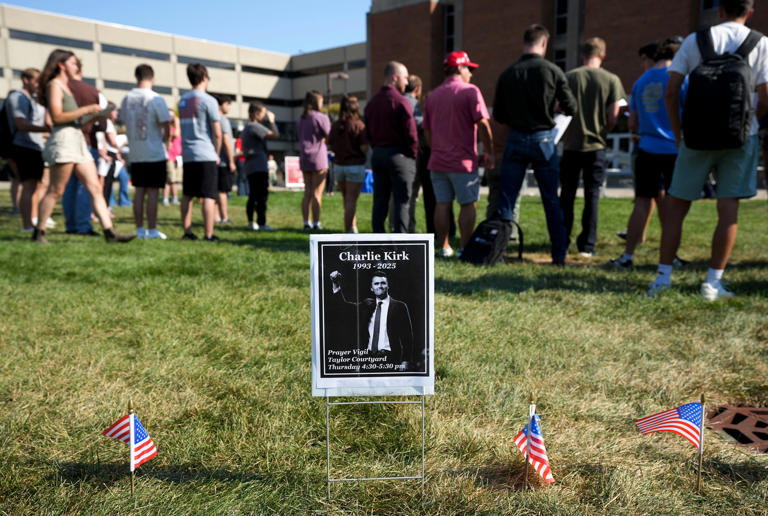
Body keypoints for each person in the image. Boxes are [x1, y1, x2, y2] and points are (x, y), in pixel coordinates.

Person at [648, 0, 768, 299]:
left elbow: (672, 91)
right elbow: (765, 98)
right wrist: (750, 124)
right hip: (741, 138)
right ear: (749, 11)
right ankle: (712, 283)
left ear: (720, 10)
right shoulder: (761, 43)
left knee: (677, 206)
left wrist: (679, 134)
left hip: (696, 137)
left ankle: (663, 278)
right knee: (728, 208)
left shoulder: (695, 40)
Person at [493, 24, 578, 265]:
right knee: (551, 199)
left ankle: (498, 252)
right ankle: (558, 255)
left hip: (516, 137)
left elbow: (498, 114)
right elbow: (571, 107)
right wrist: (553, 107)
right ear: (544, 43)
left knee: (507, 199)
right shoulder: (552, 71)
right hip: (544, 140)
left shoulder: (508, 73)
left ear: (525, 42)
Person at [33, 49, 133, 243]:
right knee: (56, 190)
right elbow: (57, 117)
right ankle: (39, 232)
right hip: (63, 141)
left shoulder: (67, 86)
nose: (76, 67)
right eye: (73, 63)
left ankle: (110, 233)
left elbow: (74, 118)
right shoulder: (55, 85)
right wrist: (87, 109)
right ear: (61, 65)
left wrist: (94, 116)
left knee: (95, 187)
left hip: (77, 139)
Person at [610, 39, 681, 269]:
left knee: (642, 202)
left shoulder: (641, 81)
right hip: (673, 149)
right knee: (671, 205)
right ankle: (670, 258)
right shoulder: (681, 78)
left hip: (647, 148)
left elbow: (632, 123)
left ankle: (628, 256)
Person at [423, 51, 494, 257]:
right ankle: (465, 247)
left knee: (442, 204)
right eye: (469, 69)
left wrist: (435, 147)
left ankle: (444, 247)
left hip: (437, 161)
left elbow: (426, 130)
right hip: (463, 162)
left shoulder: (433, 96)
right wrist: (489, 152)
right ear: (460, 68)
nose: (471, 74)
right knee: (467, 204)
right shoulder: (470, 91)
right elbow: (483, 123)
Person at [559, 37, 625, 257]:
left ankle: (562, 239)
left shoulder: (569, 77)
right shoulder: (611, 79)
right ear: (602, 56)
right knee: (592, 195)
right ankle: (587, 245)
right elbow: (614, 115)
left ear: (582, 55)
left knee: (566, 195)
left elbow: (558, 108)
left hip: (571, 145)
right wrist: (605, 130)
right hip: (596, 145)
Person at [364, 61, 418, 234]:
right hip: (399, 156)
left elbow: (368, 134)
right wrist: (413, 153)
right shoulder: (401, 101)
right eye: (404, 78)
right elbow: (411, 133)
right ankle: (400, 244)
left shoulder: (371, 104)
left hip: (378, 155)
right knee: (402, 201)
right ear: (394, 78)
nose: (407, 83)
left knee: (379, 200)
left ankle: (377, 241)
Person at [119, 63, 171, 239]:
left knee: (139, 191)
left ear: (136, 77)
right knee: (153, 192)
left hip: (136, 151)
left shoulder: (127, 98)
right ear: (153, 78)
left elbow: (122, 120)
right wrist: (167, 141)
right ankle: (152, 229)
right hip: (154, 151)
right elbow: (166, 124)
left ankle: (140, 229)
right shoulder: (156, 98)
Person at [329, 269, 414, 371]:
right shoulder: (367, 305)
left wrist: (405, 361)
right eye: (376, 284)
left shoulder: (400, 307)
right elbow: (343, 307)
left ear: (388, 286)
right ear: (372, 288)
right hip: (368, 358)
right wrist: (335, 284)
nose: (380, 286)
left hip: (390, 359)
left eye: (383, 283)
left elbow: (407, 336)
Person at [178, 63, 222, 242]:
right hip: (205, 153)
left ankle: (187, 232)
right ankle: (208, 234)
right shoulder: (209, 100)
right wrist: (217, 152)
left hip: (188, 153)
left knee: (187, 194)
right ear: (204, 77)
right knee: (208, 195)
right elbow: (217, 133)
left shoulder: (182, 100)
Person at [6, 68, 50, 232]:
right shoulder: (18, 98)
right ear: (26, 79)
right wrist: (46, 129)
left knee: (35, 186)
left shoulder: (30, 99)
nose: (39, 85)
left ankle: (32, 220)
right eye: (36, 81)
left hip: (33, 146)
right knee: (28, 186)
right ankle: (27, 224)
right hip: (24, 146)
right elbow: (21, 124)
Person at [327, 94, 368, 233]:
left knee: (346, 199)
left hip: (339, 166)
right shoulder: (358, 125)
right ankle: (348, 230)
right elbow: (364, 148)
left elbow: (330, 144)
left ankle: (352, 227)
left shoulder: (336, 125)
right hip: (355, 165)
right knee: (351, 200)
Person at [241, 101, 279, 231]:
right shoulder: (254, 126)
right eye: (263, 113)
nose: (265, 115)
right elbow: (275, 134)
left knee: (253, 195)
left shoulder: (247, 127)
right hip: (259, 166)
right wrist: (272, 121)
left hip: (251, 166)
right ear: (257, 113)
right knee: (261, 196)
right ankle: (261, 223)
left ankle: (251, 222)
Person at [297, 90, 331, 231]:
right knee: (317, 192)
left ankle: (306, 222)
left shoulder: (301, 118)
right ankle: (316, 222)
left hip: (305, 157)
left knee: (307, 192)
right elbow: (329, 134)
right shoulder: (321, 117)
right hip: (318, 157)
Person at [214, 94, 236, 224]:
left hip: (215, 161)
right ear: (221, 105)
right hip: (223, 161)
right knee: (223, 190)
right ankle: (224, 217)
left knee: (216, 190)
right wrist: (231, 161)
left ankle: (215, 216)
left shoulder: (213, 119)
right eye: (228, 104)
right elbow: (226, 141)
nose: (229, 107)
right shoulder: (223, 120)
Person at [163, 108, 182, 206]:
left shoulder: (176, 128)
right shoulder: (167, 128)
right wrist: (177, 123)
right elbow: (175, 134)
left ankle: (175, 198)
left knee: (175, 180)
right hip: (169, 157)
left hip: (177, 157)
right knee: (169, 179)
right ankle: (165, 198)